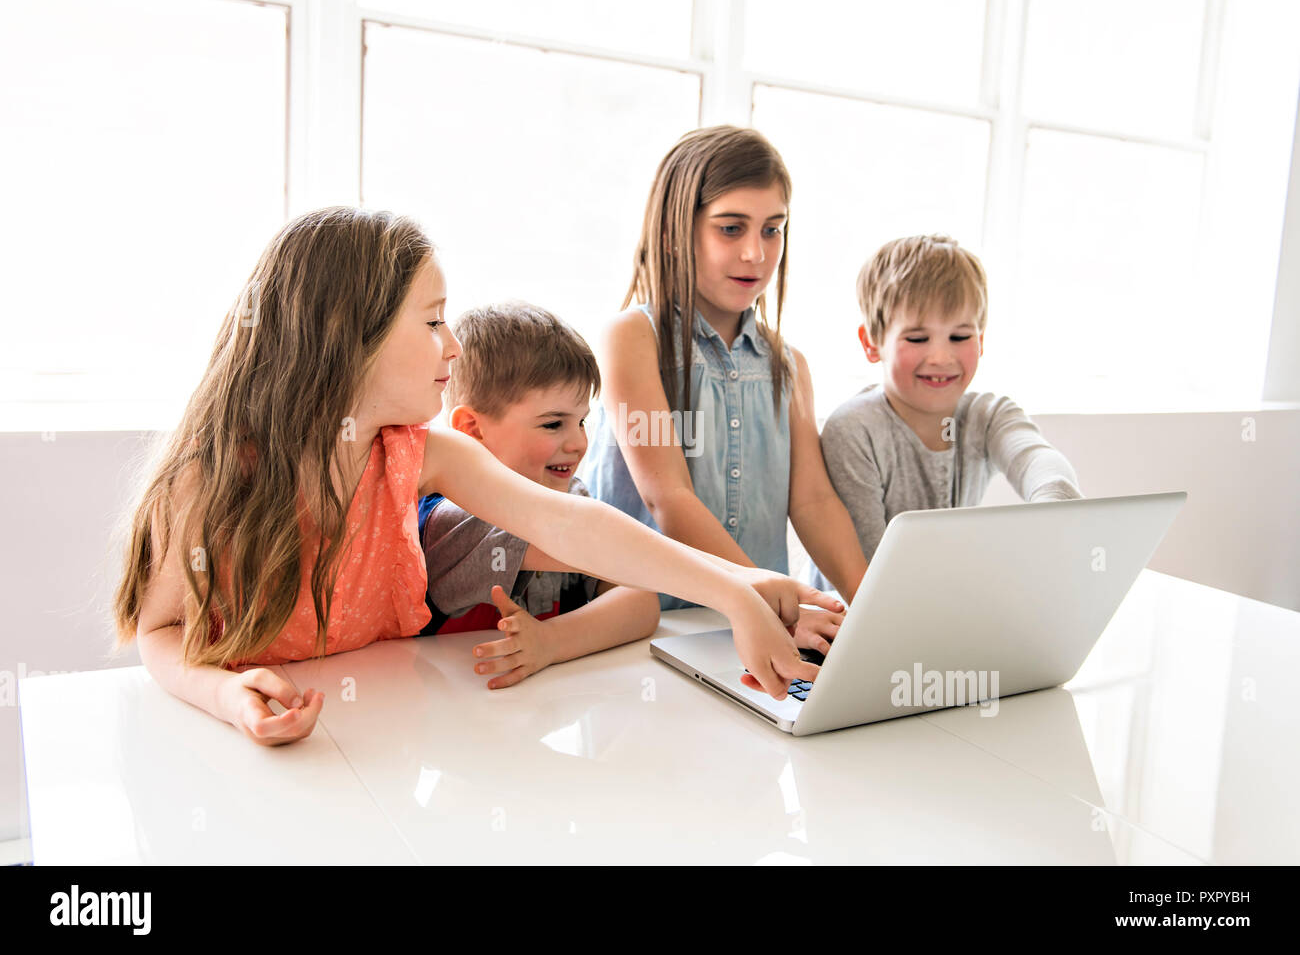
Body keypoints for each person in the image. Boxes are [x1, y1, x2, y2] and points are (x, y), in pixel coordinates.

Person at [112, 207, 840, 747]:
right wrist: (226, 695)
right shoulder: (207, 475)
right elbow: (159, 632)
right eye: (432, 323)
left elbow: (568, 523)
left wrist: (737, 589)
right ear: (348, 340)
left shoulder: (415, 452)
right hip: (245, 753)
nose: (453, 345)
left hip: (386, 736)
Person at [582, 125, 868, 657]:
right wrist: (765, 605)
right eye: (731, 229)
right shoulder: (633, 339)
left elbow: (814, 502)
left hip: (769, 630)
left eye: (773, 229)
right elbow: (666, 497)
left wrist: (873, 603)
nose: (756, 254)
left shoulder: (790, 366)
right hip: (650, 630)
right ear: (675, 231)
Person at [418, 301, 661, 689]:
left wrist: (550, 642)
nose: (579, 442)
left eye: (582, 421)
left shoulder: (571, 496)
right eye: (553, 424)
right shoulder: (455, 521)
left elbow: (641, 599)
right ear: (471, 429)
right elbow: (628, 564)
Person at [813, 233, 1082, 583]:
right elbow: (872, 570)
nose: (941, 357)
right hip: (851, 610)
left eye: (960, 337)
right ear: (872, 343)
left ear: (981, 340)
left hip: (936, 598)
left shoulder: (988, 415)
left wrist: (1054, 510)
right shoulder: (854, 429)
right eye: (917, 338)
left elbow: (1038, 462)